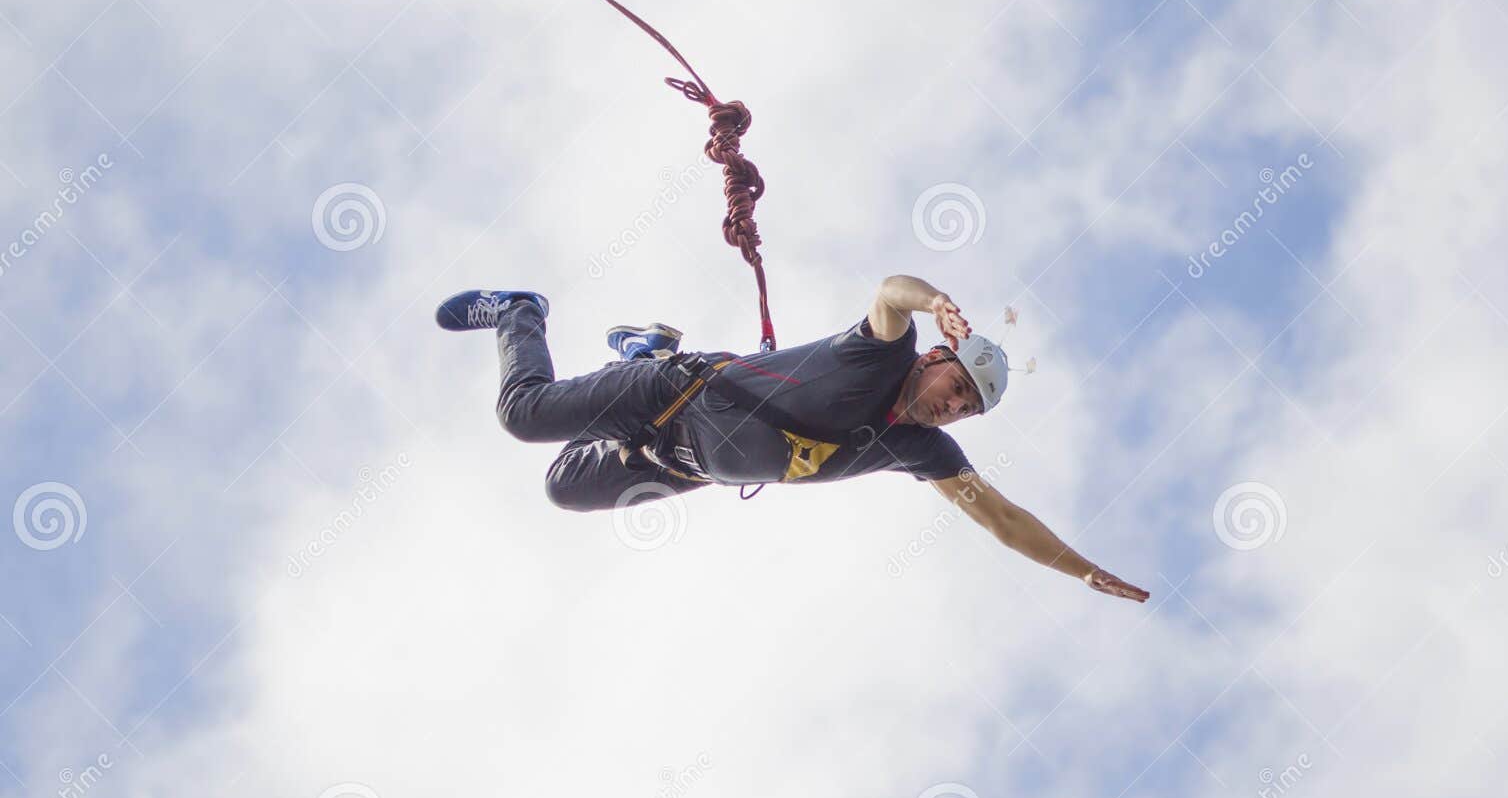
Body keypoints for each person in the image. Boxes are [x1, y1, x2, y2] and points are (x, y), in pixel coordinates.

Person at [436, 275, 1147, 602]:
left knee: (564, 484)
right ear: (934, 358)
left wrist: (1079, 567)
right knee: (524, 414)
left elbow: (1003, 519)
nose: (952, 407)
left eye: (964, 408)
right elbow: (889, 292)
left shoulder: (922, 450)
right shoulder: (885, 352)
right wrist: (935, 302)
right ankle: (522, 313)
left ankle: (638, 348)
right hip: (676, 395)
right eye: (955, 387)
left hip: (676, 458)